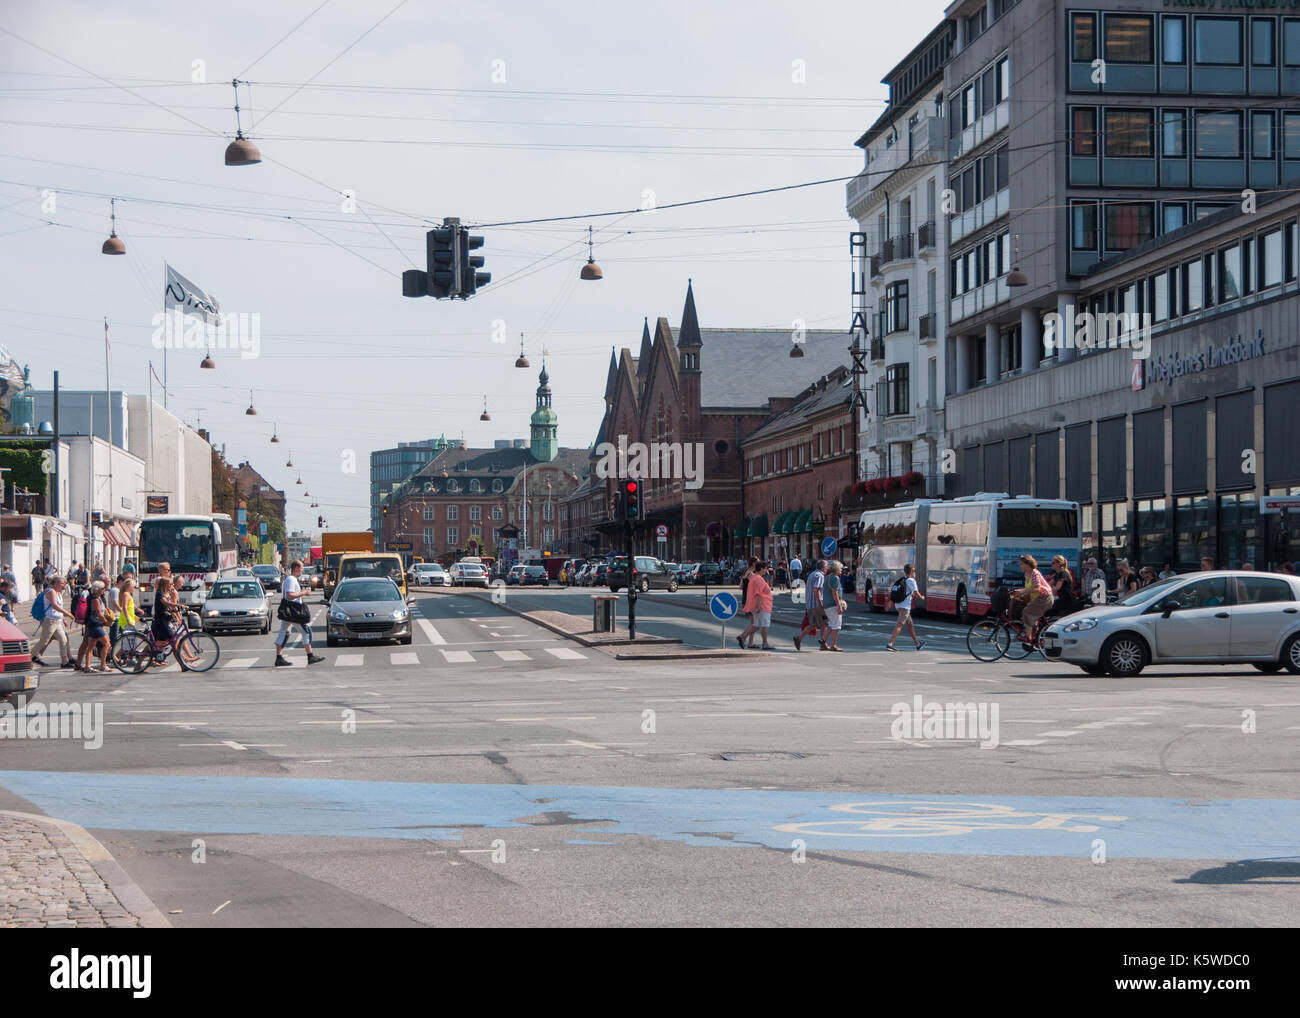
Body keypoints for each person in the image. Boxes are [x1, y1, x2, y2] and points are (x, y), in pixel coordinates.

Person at [274, 560, 323, 667]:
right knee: (306, 631)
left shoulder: (290, 579)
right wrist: (304, 593)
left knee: (284, 633)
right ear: (296, 568)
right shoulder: (291, 579)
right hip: (294, 611)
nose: (302, 570)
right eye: (301, 568)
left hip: (289, 611)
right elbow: (289, 595)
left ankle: (279, 658)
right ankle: (310, 656)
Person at [30, 576, 76, 668]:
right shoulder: (51, 591)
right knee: (44, 641)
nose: (64, 585)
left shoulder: (59, 593)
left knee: (63, 640)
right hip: (50, 621)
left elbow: (59, 607)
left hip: (57, 621)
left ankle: (64, 663)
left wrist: (63, 619)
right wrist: (68, 613)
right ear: (55, 583)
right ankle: (29, 656)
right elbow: (55, 605)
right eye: (62, 583)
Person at [1012, 555, 1054, 648]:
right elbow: (1029, 589)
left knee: (1027, 612)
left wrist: (1023, 591)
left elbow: (1037, 588)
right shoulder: (1026, 574)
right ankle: (1034, 636)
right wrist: (1019, 594)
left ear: (1028, 564)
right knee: (1030, 613)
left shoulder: (1034, 573)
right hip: (1037, 598)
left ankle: (1028, 638)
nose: (1020, 566)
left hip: (1044, 598)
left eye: (1021, 564)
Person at [885, 562, 925, 651]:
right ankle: (890, 644)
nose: (914, 573)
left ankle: (918, 644)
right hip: (905, 607)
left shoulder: (902, 579)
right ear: (911, 571)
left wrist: (890, 603)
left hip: (899, 605)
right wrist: (922, 597)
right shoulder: (911, 581)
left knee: (910, 625)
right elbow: (916, 593)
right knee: (899, 625)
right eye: (914, 571)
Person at [77, 580, 111, 673]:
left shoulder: (93, 597)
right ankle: (103, 665)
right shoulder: (95, 599)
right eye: (103, 588)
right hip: (96, 625)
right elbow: (99, 614)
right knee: (106, 644)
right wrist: (107, 622)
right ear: (98, 589)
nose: (104, 590)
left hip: (91, 624)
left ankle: (87, 666)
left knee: (91, 646)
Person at [738, 561, 773, 650]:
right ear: (761, 569)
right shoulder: (758, 579)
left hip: (757, 605)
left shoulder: (753, 577)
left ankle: (742, 636)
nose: (766, 570)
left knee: (756, 625)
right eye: (765, 568)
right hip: (762, 606)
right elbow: (758, 593)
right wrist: (759, 606)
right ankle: (765, 643)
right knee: (764, 625)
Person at [824, 560, 847, 651]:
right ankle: (833, 645)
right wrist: (839, 606)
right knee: (836, 625)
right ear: (837, 569)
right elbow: (835, 593)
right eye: (841, 568)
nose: (842, 570)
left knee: (831, 624)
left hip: (827, 604)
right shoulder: (835, 578)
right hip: (833, 604)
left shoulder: (827, 577)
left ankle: (822, 640)